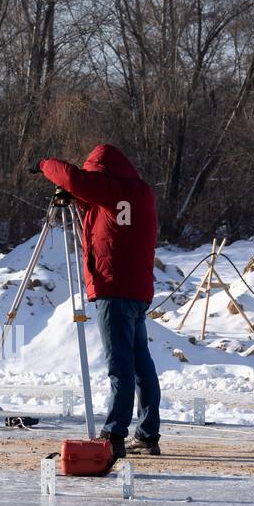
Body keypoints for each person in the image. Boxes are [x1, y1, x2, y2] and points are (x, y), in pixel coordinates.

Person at [39, 144, 162, 458]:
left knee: (119, 367)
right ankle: (147, 435)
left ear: (102, 172)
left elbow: (75, 180)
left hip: (114, 288)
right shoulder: (140, 192)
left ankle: (114, 435)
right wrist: (79, 196)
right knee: (140, 365)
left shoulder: (110, 189)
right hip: (137, 290)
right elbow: (105, 206)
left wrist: (43, 163)